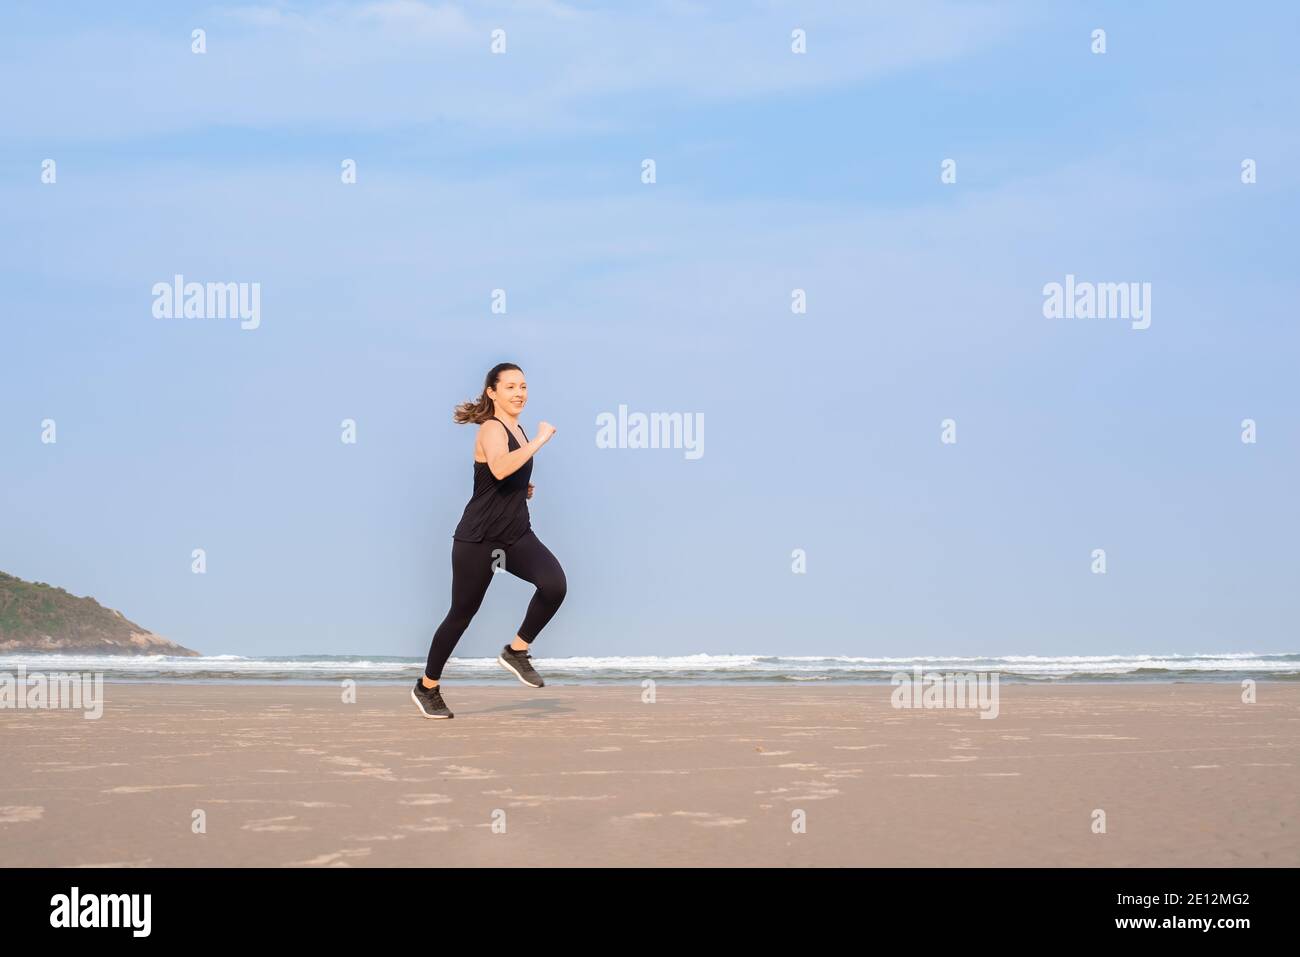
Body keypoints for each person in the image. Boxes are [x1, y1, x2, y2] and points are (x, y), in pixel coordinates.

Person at [412, 363, 566, 719]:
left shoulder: (518, 428)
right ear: (492, 392)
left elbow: (502, 476)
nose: (519, 393)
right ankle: (427, 687)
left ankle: (517, 651)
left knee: (554, 585)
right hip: (478, 540)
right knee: (461, 615)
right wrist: (541, 441)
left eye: (523, 386)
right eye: (510, 386)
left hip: (515, 536)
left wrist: (520, 490)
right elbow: (498, 467)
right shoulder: (491, 428)